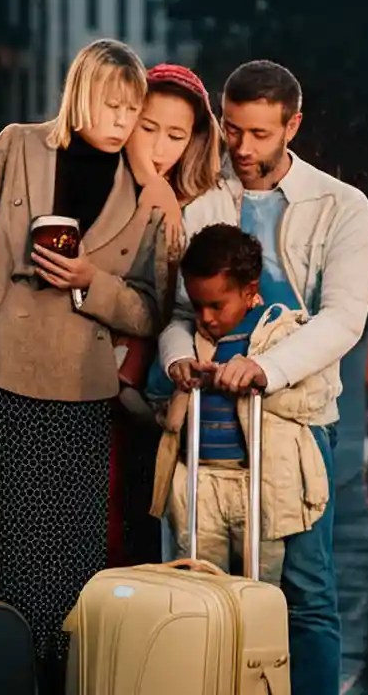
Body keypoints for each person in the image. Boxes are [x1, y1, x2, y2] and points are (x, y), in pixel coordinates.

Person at [0, 38, 172, 694]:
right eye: (111, 105)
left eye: (131, 109)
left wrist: (88, 284)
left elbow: (148, 310)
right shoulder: (17, 147)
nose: (121, 121)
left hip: (79, 392)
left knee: (67, 555)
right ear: (80, 95)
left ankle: (55, 679)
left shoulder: (144, 194)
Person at [157, 59, 368, 695]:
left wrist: (266, 368)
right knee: (199, 592)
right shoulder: (200, 204)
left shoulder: (343, 207)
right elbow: (175, 312)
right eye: (231, 130)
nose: (243, 148)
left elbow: (344, 319)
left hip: (297, 425)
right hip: (209, 429)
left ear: (292, 126)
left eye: (259, 133)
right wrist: (178, 359)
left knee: (305, 593)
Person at [148, 223, 333, 585]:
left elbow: (311, 401)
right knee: (200, 587)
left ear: (249, 291)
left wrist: (261, 376)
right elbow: (157, 399)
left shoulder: (278, 335)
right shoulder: (189, 342)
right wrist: (178, 377)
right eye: (198, 306)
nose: (207, 318)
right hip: (200, 483)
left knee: (259, 589)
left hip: (257, 483)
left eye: (217, 305)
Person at [109, 62, 223, 567]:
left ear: (195, 139)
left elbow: (174, 308)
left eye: (175, 135)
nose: (159, 147)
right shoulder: (104, 184)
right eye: (147, 127)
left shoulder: (204, 202)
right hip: (91, 381)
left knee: (148, 530)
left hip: (160, 388)